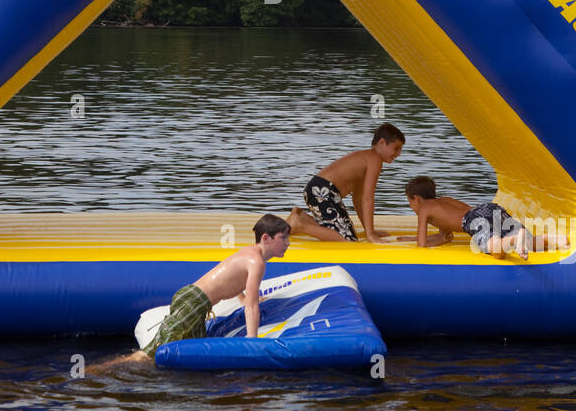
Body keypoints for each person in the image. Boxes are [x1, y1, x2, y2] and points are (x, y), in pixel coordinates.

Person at [137, 213, 292, 360]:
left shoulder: (249, 254)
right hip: (194, 301)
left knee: (191, 349)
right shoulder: (256, 262)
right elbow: (251, 306)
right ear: (266, 238)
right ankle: (116, 365)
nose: (288, 243)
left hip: (195, 301)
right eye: (283, 237)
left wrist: (243, 298)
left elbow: (233, 280)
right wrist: (253, 342)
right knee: (152, 353)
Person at [287, 123, 404, 244]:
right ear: (381, 143)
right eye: (396, 148)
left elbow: (358, 200)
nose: (399, 154)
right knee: (348, 239)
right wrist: (370, 235)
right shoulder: (375, 160)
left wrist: (369, 231)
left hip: (318, 188)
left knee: (348, 230)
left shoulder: (366, 159)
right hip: (324, 191)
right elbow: (368, 199)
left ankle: (302, 217)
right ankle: (301, 225)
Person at [401, 175, 566, 259]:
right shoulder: (444, 201)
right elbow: (444, 236)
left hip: (473, 219)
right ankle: (554, 239)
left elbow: (422, 244)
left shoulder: (424, 209)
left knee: (494, 249)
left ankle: (515, 239)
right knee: (531, 243)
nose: (412, 207)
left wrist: (415, 240)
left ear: (416, 198)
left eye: (410, 203)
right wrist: (409, 238)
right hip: (488, 208)